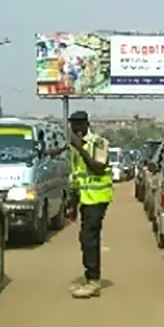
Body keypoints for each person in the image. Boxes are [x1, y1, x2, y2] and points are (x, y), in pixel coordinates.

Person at [65, 110, 113, 298]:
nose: (76, 129)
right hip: (85, 198)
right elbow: (76, 178)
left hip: (99, 197)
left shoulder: (99, 143)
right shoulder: (74, 149)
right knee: (85, 238)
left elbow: (98, 168)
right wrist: (72, 204)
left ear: (87, 124)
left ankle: (93, 280)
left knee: (89, 238)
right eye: (72, 125)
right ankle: (90, 278)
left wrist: (81, 148)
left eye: (79, 125)